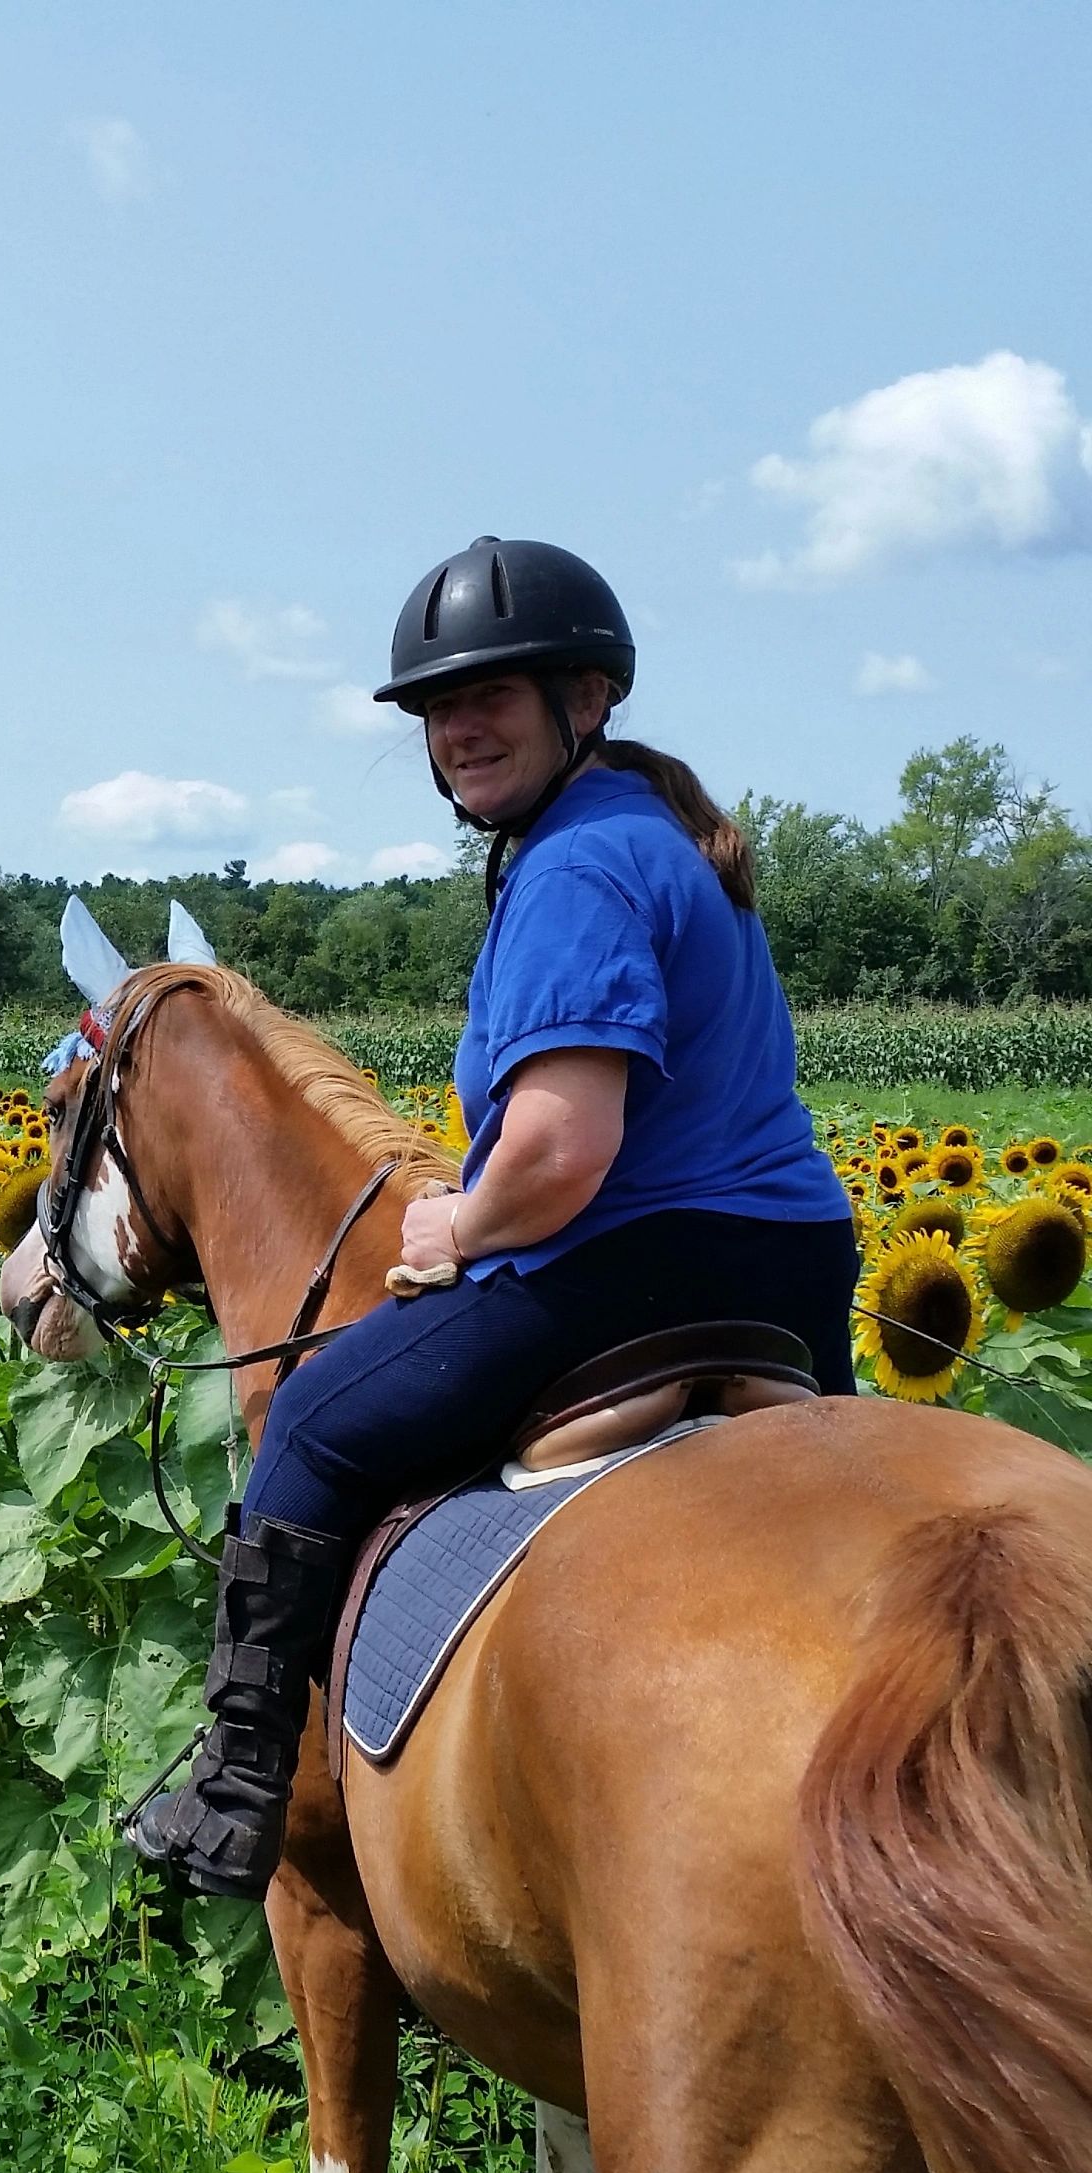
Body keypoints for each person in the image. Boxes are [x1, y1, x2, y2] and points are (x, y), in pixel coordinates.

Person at [129, 536, 858, 1901]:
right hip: (798, 1270)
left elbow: (565, 1149)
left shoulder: (578, 867)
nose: (460, 728)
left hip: (632, 1267)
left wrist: (455, 1226)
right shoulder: (660, 836)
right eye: (436, 708)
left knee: (319, 1421)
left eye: (495, 697)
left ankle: (234, 1795)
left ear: (585, 698)